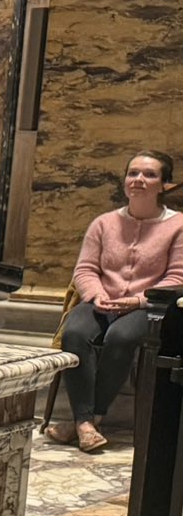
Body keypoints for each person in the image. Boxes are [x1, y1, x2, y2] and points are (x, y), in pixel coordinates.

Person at [47, 151, 183, 453]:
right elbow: (84, 270)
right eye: (133, 173)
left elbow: (176, 278)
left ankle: (85, 420)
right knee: (74, 333)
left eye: (149, 175)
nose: (138, 180)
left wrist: (136, 300)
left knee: (120, 338)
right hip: (101, 301)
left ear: (165, 185)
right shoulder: (104, 223)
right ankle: (86, 424)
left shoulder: (178, 226)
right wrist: (98, 295)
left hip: (146, 307)